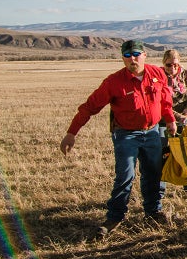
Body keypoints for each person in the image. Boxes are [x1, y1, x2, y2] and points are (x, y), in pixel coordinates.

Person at [60, 40, 176, 237]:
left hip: (152, 132)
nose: (132, 59)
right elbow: (90, 107)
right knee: (125, 175)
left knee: (153, 173)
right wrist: (72, 133)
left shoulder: (157, 74)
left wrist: (170, 120)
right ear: (122, 58)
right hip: (126, 135)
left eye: (136, 54)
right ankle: (115, 217)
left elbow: (165, 100)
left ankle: (153, 212)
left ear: (144, 55)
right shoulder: (113, 82)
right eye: (127, 55)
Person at [162, 49, 187, 191]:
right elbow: (160, 103)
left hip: (184, 120)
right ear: (163, 63)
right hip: (163, 120)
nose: (172, 68)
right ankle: (160, 187)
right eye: (169, 65)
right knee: (162, 153)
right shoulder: (158, 76)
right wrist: (178, 117)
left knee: (186, 152)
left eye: (176, 65)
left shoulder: (186, 74)